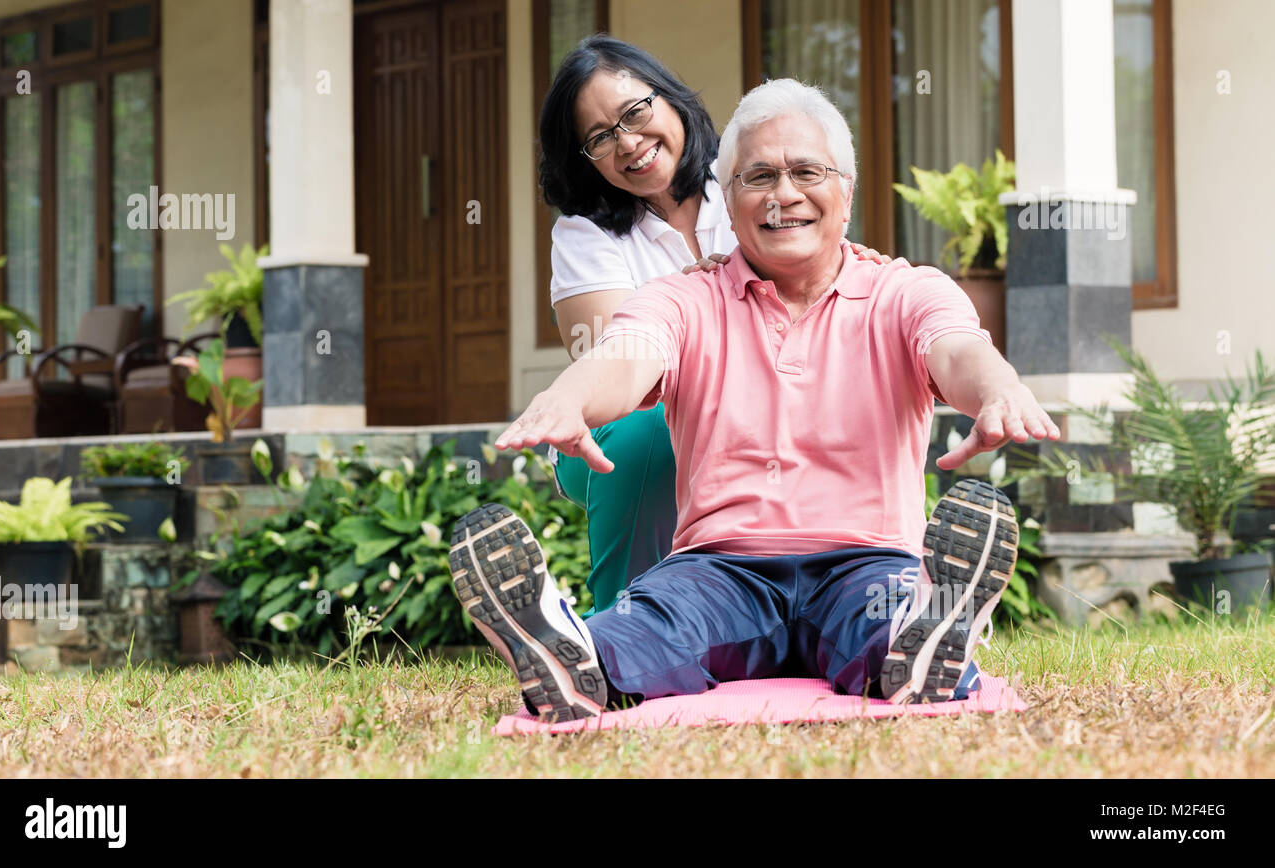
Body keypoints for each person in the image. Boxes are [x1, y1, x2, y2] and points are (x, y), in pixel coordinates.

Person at [451, 78, 1061, 720]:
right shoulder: (685, 298)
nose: (784, 194)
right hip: (720, 569)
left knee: (888, 623)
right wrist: (569, 400)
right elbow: (623, 358)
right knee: (653, 624)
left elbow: (958, 349)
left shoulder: (904, 291)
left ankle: (931, 632)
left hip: (867, 561)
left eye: (806, 172)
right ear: (729, 196)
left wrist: (999, 388)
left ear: (845, 192)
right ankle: (570, 652)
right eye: (758, 176)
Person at [539, 35, 885, 615]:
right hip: (625, 431)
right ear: (585, 158)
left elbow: (815, 288)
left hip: (779, 400)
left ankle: (867, 603)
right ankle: (618, 625)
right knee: (649, 429)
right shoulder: (584, 234)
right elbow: (619, 368)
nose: (629, 142)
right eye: (599, 138)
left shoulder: (747, 179)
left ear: (668, 99)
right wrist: (704, 292)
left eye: (635, 113)